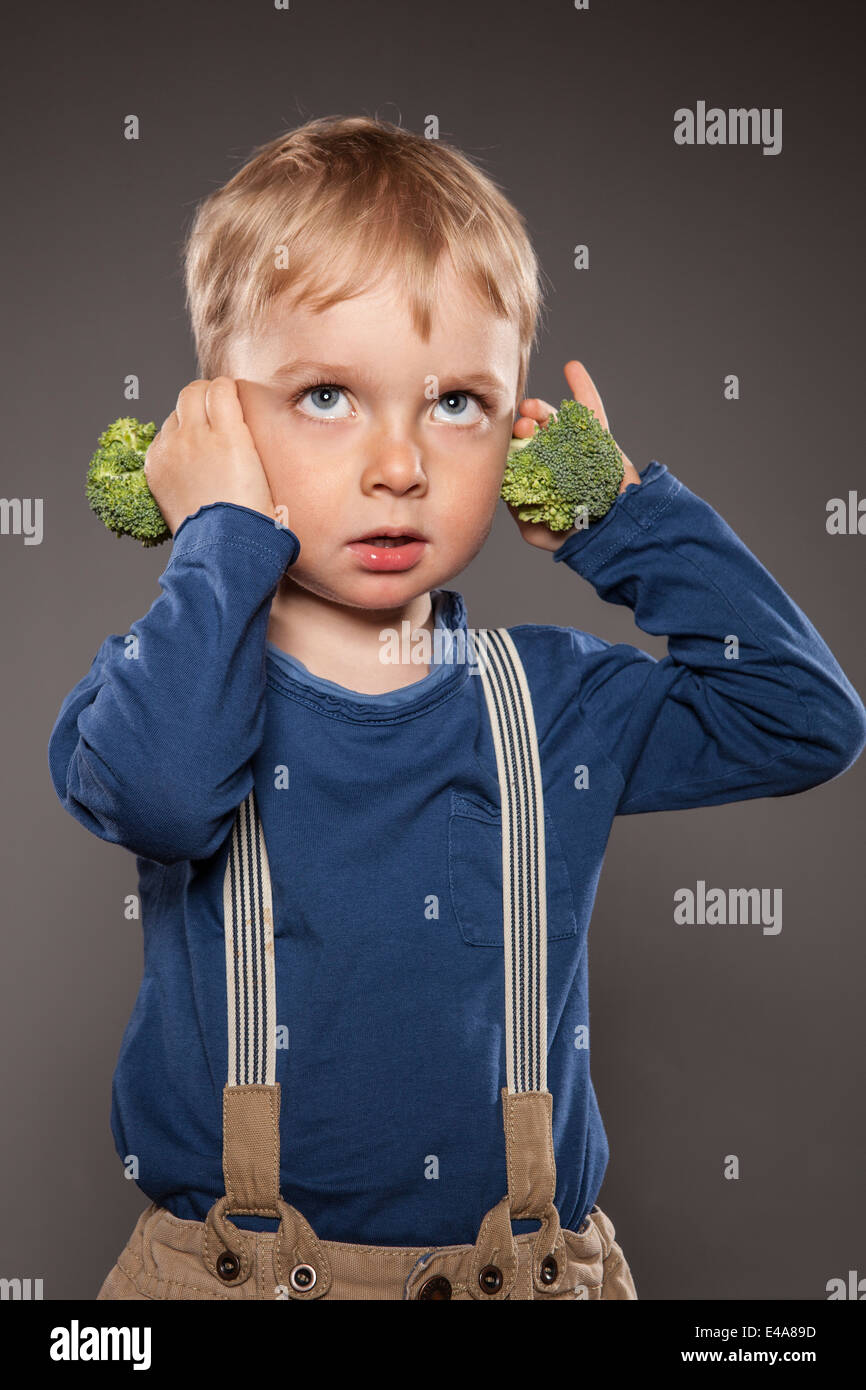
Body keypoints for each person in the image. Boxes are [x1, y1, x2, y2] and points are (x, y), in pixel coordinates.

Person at [48, 116, 866, 1300]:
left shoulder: (555, 701)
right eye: (327, 395)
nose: (399, 464)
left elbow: (804, 715)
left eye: (457, 404)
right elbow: (167, 794)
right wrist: (217, 533)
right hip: (226, 1279)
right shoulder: (148, 685)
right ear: (213, 423)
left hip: (524, 1274)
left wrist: (622, 521)